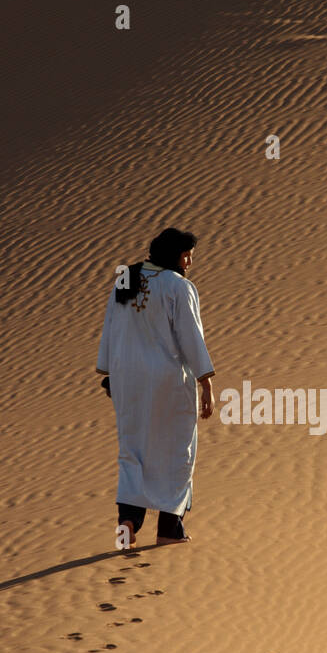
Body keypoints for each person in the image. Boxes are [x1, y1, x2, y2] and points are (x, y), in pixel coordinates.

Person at [96, 228, 215, 546]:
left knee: (133, 452)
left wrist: (110, 373)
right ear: (172, 254)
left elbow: (111, 326)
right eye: (186, 254)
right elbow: (191, 338)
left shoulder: (126, 279)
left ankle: (127, 526)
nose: (189, 261)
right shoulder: (179, 287)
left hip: (128, 381)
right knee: (176, 451)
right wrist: (206, 383)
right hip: (168, 382)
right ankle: (169, 530)